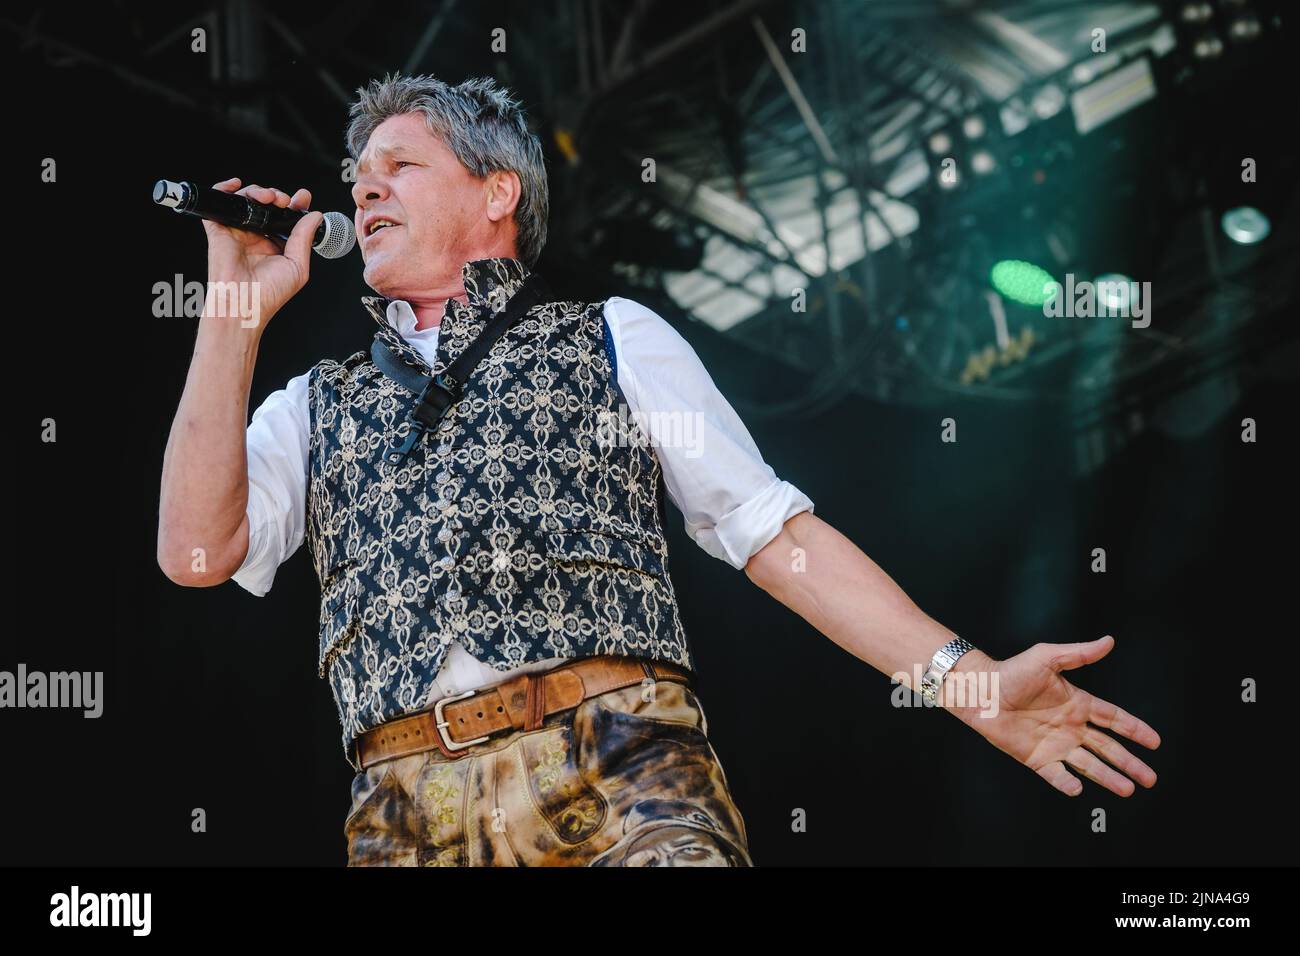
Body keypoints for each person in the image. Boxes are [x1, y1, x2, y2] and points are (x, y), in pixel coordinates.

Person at [157, 73, 1161, 867]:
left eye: (400, 164)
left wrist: (969, 682)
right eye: (357, 171)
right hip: (403, 809)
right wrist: (233, 310)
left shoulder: (614, 337)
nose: (363, 185)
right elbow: (197, 552)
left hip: (620, 767)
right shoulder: (311, 405)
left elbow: (771, 534)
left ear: (496, 191)